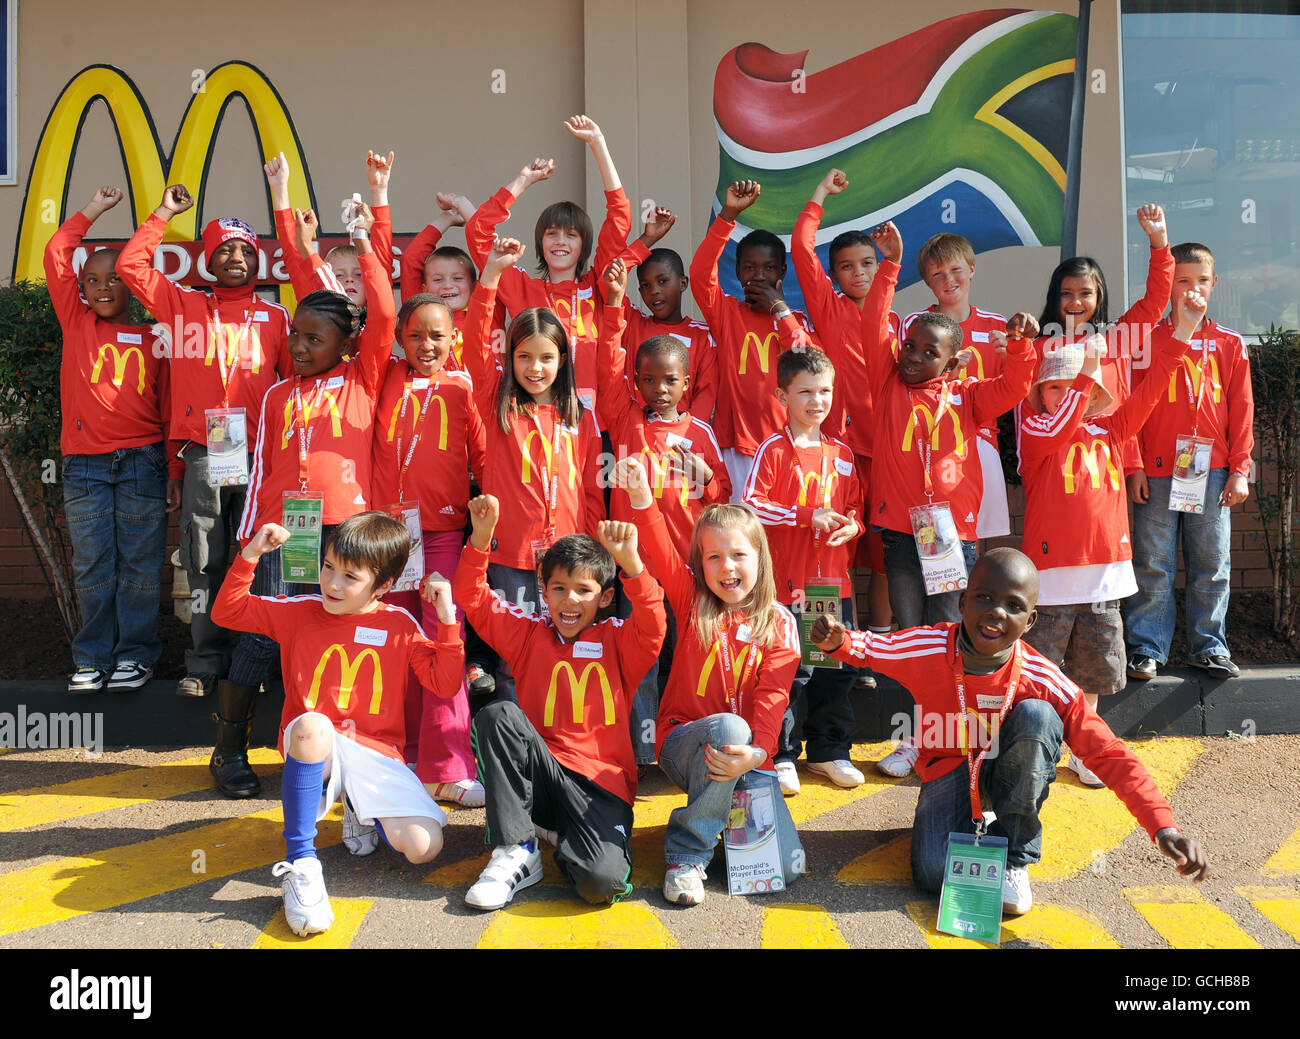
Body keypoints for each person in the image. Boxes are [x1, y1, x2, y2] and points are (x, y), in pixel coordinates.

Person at [810, 547, 1210, 915]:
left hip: (1012, 770)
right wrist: (835, 641)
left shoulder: (1042, 677)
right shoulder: (928, 647)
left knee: (1038, 716)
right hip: (950, 769)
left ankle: (1014, 856)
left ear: (1030, 620)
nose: (997, 612)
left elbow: (1107, 752)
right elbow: (869, 648)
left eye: (1014, 605)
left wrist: (1163, 827)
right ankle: (968, 820)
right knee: (933, 876)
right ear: (963, 601)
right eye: (984, 597)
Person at [213, 204, 393, 798]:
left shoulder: (364, 378)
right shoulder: (274, 397)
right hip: (286, 535)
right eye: (295, 335)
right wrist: (253, 536)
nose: (299, 346)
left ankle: (325, 757)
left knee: (330, 641)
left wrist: (365, 242)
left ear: (346, 345)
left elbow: (385, 313)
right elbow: (263, 470)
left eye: (315, 339)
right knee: (263, 637)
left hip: (344, 536)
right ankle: (228, 748)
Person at [212, 513, 463, 936]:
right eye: (328, 567)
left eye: (350, 576)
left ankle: (360, 810)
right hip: (315, 743)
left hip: (375, 752)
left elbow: (444, 681)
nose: (332, 584)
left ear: (383, 586)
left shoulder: (400, 624)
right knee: (312, 726)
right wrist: (251, 554)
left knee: (424, 848)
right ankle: (301, 863)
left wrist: (447, 616)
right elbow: (228, 611)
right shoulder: (299, 611)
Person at [850, 221, 1038, 778]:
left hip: (952, 534)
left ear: (952, 361)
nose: (911, 357)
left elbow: (1013, 388)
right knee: (912, 638)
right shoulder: (888, 386)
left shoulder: (967, 398)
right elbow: (868, 330)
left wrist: (1024, 345)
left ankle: (959, 736)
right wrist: (889, 266)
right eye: (908, 347)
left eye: (927, 352)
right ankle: (914, 739)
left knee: (952, 631)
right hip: (901, 533)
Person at [117, 184, 293, 704]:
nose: (235, 258)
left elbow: (292, 393)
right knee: (203, 557)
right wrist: (166, 212)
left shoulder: (278, 317)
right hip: (205, 454)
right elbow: (131, 265)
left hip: (262, 460)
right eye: (223, 250)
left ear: (257, 262)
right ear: (207, 261)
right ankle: (205, 661)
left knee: (259, 557)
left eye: (244, 250)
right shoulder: (183, 306)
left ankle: (253, 660)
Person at [1016, 286, 1195, 786]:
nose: (1065, 394)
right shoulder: (1035, 434)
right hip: (1050, 581)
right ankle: (1038, 743)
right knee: (1042, 672)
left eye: (1076, 388)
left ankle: (1085, 746)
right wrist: (1088, 368)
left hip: (1103, 581)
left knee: (1092, 672)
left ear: (1095, 395)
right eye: (1054, 386)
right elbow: (1055, 424)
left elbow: (1153, 388)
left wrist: (1180, 332)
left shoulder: (1110, 432)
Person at [453, 495, 666, 910]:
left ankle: (559, 837)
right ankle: (517, 848)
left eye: (584, 591)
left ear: (604, 598)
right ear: (543, 590)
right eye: (559, 589)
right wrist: (480, 538)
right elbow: (473, 597)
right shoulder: (529, 633)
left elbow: (654, 621)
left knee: (600, 884)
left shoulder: (621, 640)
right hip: (544, 772)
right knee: (498, 714)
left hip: (601, 786)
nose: (570, 600)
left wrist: (632, 564)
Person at [615, 457, 804, 906]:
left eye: (739, 554)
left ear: (760, 556)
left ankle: (717, 820)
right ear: (700, 564)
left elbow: (774, 696)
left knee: (788, 867)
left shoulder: (779, 622)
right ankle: (686, 855)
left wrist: (760, 753)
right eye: (713, 556)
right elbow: (660, 549)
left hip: (746, 756)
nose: (727, 567)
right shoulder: (693, 600)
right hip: (684, 743)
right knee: (729, 729)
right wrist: (643, 498)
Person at [460, 236, 605, 700]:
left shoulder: (579, 416)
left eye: (546, 357)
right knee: (512, 659)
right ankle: (516, 754)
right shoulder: (497, 402)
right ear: (510, 359)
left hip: (568, 560)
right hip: (513, 559)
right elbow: (473, 339)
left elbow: (589, 491)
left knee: (569, 655)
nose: (535, 368)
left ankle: (560, 751)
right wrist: (491, 276)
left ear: (564, 360)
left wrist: (592, 551)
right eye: (524, 357)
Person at [598, 258, 730, 763]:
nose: (659, 390)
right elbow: (608, 365)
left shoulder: (701, 433)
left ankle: (687, 739)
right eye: (649, 380)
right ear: (637, 382)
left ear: (686, 381)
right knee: (641, 657)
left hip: (687, 567)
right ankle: (641, 747)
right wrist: (613, 307)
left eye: (669, 381)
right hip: (635, 568)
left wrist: (704, 476)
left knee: (687, 654)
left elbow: (721, 501)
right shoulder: (626, 419)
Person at [45, 187, 171, 693]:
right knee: (93, 564)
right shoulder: (76, 322)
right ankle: (92, 658)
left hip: (142, 461)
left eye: (115, 279)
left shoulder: (156, 336)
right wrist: (93, 210)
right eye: (91, 280)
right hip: (85, 466)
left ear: (133, 286)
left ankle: (134, 657)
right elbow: (57, 251)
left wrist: (174, 471)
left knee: (140, 567)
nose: (102, 288)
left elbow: (167, 410)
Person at [371, 292, 488, 806]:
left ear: (454, 338)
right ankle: (404, 753)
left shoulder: (465, 386)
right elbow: (375, 301)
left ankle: (449, 763)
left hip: (441, 532)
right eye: (415, 334)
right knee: (396, 643)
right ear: (399, 338)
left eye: (438, 335)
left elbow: (484, 458)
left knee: (443, 637)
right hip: (387, 535)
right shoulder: (384, 377)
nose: (426, 345)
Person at [464, 115, 660, 409]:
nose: (560, 242)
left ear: (584, 246)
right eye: (551, 234)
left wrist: (598, 144)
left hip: (599, 425)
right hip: (537, 420)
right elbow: (477, 231)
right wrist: (522, 181)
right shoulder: (522, 288)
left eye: (571, 235)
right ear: (540, 244)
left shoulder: (599, 283)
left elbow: (620, 217)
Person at [1125, 242, 1255, 680]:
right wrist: (1134, 465)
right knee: (1152, 564)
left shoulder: (1230, 343)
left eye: (1201, 280)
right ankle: (1146, 648)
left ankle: (1210, 646)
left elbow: (1242, 409)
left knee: (1211, 564)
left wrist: (1240, 468)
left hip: (1212, 471)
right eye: (1182, 281)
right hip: (1158, 471)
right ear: (1168, 287)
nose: (1192, 289)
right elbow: (1131, 407)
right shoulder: (1147, 339)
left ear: (1214, 284)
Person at [792, 168, 901, 671]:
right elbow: (800, 245)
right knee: (830, 555)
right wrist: (821, 195)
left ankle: (876, 658)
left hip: (888, 458)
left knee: (882, 558)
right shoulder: (827, 309)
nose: (859, 273)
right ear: (833, 275)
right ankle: (822, 659)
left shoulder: (897, 321)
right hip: (835, 452)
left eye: (868, 264)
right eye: (848, 266)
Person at [743, 347, 864, 794]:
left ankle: (831, 752)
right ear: (782, 396)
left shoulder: (843, 452)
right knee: (791, 672)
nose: (817, 400)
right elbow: (751, 505)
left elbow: (856, 509)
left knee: (835, 668)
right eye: (806, 391)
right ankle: (783, 753)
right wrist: (805, 514)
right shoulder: (773, 449)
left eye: (825, 390)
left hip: (831, 583)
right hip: (786, 586)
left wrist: (853, 525)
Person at [689, 179, 819, 495]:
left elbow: (810, 365)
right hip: (734, 445)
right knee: (739, 533)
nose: (758, 275)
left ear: (782, 272)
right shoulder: (727, 313)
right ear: (737, 272)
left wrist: (779, 309)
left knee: (778, 531)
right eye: (749, 267)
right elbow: (700, 274)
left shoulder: (796, 321)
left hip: (784, 443)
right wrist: (728, 216)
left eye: (767, 268)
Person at [905, 231, 1012, 540]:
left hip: (981, 440)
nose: (948, 279)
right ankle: (946, 591)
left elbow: (1016, 392)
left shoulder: (996, 325)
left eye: (955, 270)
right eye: (938, 274)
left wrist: (1014, 357)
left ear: (971, 269)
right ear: (927, 282)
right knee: (933, 537)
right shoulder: (916, 324)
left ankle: (969, 591)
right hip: (932, 444)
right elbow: (906, 382)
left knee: (975, 535)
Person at [266, 150, 395, 308]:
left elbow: (380, 261)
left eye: (359, 274)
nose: (349, 279)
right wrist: (279, 188)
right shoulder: (316, 305)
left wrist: (379, 190)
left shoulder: (378, 321)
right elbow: (293, 254)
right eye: (338, 275)